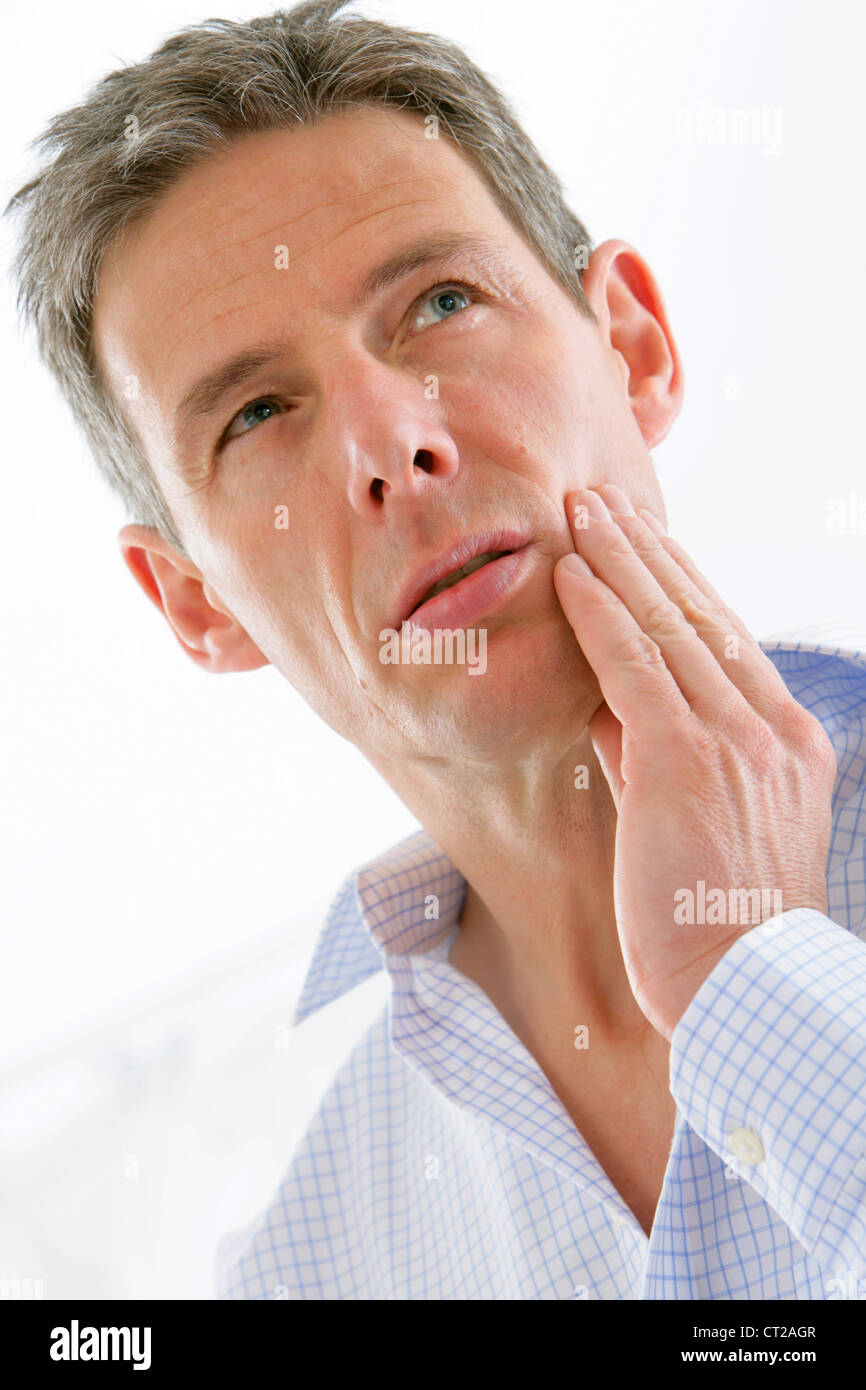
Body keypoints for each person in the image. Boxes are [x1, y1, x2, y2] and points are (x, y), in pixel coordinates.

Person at [7, 0, 865, 1300]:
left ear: (633, 344)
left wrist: (756, 980)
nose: (387, 447)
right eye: (255, 413)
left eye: (440, 302)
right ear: (196, 604)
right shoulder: (316, 1266)